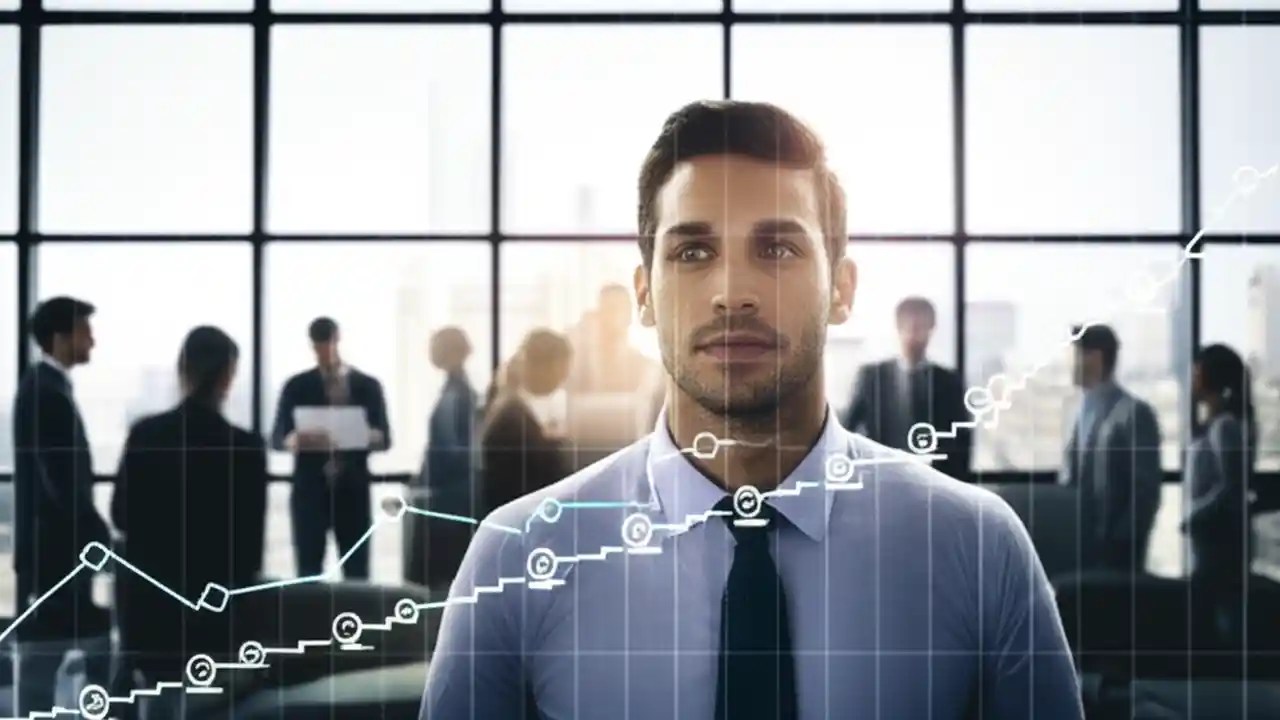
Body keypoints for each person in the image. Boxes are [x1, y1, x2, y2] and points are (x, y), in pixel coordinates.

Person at [423, 100, 1081, 719]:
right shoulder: (519, 556)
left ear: (841, 290)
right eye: (692, 251)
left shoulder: (976, 546)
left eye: (777, 248)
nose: (732, 292)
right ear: (646, 295)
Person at [110, 326, 267, 717]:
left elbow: (121, 516)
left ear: (182, 369)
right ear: (229, 375)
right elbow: (249, 550)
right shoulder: (245, 448)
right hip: (212, 610)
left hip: (149, 608)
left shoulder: (145, 435)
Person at [10, 297, 112, 715]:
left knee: (54, 656)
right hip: (56, 553)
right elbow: (62, 484)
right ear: (60, 337)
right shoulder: (46, 394)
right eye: (85, 332)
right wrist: (100, 536)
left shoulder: (45, 388)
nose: (93, 340)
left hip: (53, 550)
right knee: (47, 661)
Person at [270, 317, 390, 580]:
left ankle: (356, 621)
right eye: (319, 346)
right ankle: (312, 622)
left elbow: (385, 438)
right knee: (308, 571)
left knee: (357, 571)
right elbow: (278, 437)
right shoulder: (296, 386)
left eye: (328, 343)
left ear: (338, 341)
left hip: (352, 491)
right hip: (310, 493)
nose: (324, 351)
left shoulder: (368, 387)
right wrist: (296, 440)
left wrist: (364, 435)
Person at [1058, 324, 1163, 574]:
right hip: (1081, 549)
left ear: (1094, 358)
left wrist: (1121, 541)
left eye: (1075, 355)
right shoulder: (1078, 412)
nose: (1070, 365)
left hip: (1118, 554)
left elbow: (1145, 490)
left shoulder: (1134, 413)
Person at [841, 296, 972, 482]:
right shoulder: (872, 377)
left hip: (934, 486)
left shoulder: (948, 382)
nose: (913, 336)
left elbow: (962, 441)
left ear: (931, 330)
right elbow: (847, 431)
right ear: (898, 328)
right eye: (909, 328)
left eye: (920, 329)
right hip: (880, 484)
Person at [1182, 343, 1255, 642]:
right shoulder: (1215, 425)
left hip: (1218, 539)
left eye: (1198, 370)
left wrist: (1196, 515)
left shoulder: (1225, 426)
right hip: (1208, 538)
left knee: (1215, 614)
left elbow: (1232, 486)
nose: (1193, 377)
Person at [478, 329, 572, 517]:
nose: (564, 378)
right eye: (563, 369)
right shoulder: (512, 420)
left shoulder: (510, 407)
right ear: (545, 366)